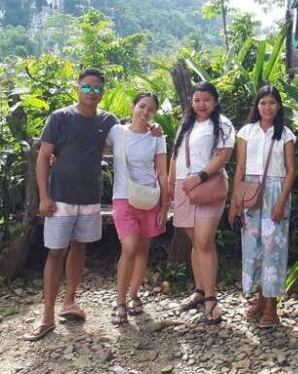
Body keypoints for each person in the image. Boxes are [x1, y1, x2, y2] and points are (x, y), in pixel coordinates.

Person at [23, 68, 118, 342]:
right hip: (60, 198)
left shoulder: (108, 120)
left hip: (90, 199)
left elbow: (127, 139)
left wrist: (153, 128)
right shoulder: (60, 117)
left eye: (97, 88)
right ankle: (47, 316)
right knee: (55, 254)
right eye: (87, 87)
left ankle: (70, 302)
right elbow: (43, 157)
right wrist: (44, 196)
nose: (92, 92)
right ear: (77, 88)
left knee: (80, 248)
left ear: (103, 91)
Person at [229, 85, 297, 328]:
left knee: (274, 248)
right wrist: (235, 201)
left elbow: (291, 171)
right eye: (263, 103)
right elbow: (240, 168)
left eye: (272, 103)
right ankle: (259, 299)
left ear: (279, 106)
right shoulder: (246, 132)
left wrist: (280, 202)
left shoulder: (285, 134)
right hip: (250, 191)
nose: (267, 107)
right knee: (253, 247)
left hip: (275, 192)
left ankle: (272, 306)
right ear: (256, 106)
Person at [168, 81, 235, 324]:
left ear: (215, 101)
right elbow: (176, 155)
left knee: (205, 241)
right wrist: (169, 184)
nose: (201, 104)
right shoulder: (186, 124)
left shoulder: (223, 124)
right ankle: (198, 290)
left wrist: (200, 176)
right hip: (183, 187)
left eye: (206, 99)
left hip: (208, 185)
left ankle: (210, 298)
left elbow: (223, 156)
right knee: (195, 241)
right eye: (196, 100)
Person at [104, 92, 168, 326]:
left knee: (142, 250)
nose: (145, 112)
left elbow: (162, 172)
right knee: (129, 248)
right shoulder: (117, 132)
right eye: (141, 106)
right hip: (123, 197)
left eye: (151, 109)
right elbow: (96, 150)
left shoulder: (157, 137)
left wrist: (165, 204)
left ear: (155, 113)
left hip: (149, 198)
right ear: (132, 106)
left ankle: (133, 296)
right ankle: (119, 300)